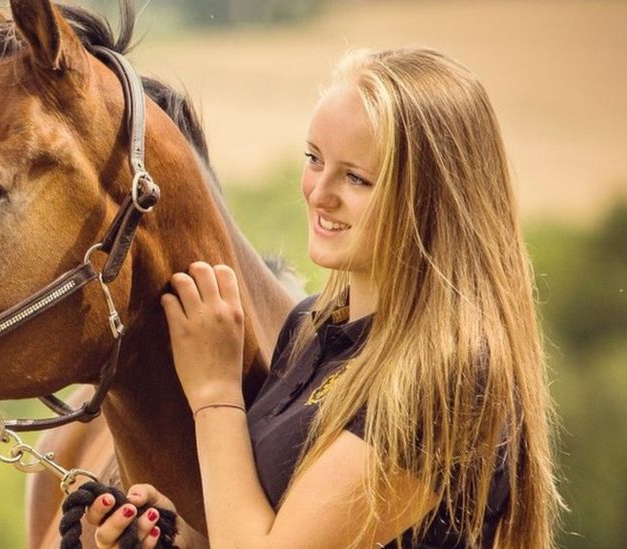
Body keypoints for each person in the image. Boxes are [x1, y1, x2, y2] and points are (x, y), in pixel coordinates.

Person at [83, 47, 562, 548]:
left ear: (433, 201)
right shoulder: (310, 328)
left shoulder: (450, 380)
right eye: (314, 159)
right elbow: (248, 518)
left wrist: (214, 394)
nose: (318, 192)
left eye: (356, 177)